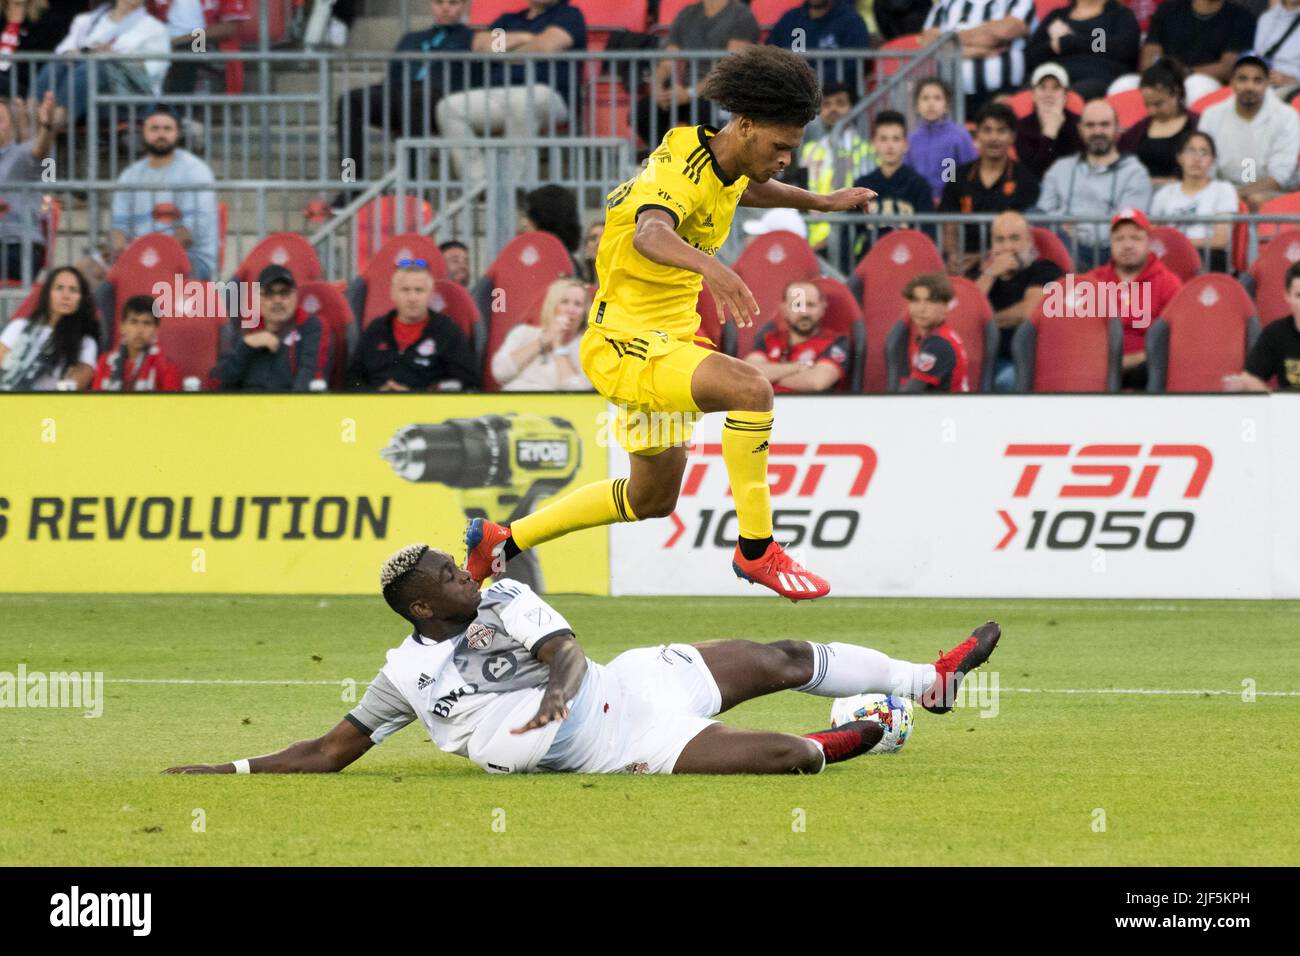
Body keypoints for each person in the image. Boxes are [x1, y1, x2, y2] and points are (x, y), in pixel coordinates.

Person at [464, 47, 877, 602]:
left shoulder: (722, 157)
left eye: (792, 150)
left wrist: (820, 202)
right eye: (780, 147)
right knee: (752, 390)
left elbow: (747, 186)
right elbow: (649, 234)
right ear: (746, 126)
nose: (785, 159)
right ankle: (758, 550)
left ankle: (502, 540)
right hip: (626, 343)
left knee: (649, 499)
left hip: (666, 340)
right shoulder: (679, 172)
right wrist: (718, 270)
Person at [164, 545, 1004, 777]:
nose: (469, 574)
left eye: (461, 567)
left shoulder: (504, 598)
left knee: (782, 653)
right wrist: (230, 767)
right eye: (450, 578)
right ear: (422, 609)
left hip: (623, 686)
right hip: (620, 747)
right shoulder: (404, 678)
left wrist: (559, 699)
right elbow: (328, 751)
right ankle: (865, 732)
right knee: (789, 757)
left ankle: (927, 684)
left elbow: (565, 655)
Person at [333, 0, 473, 205]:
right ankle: (351, 182)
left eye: (452, 3)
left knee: (415, 96)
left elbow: (502, 50)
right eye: (439, 2)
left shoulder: (473, 38)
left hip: (440, 100)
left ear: (464, 7)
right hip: (400, 95)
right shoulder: (411, 39)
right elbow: (391, 78)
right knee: (349, 101)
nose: (445, 8)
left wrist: (498, 33)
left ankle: (413, 186)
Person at [435, 0, 586, 186]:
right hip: (500, 92)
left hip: (551, 95)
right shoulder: (509, 19)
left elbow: (546, 46)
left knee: (524, 100)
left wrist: (506, 51)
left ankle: (515, 188)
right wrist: (525, 38)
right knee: (448, 108)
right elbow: (481, 45)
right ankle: (479, 186)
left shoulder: (568, 15)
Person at [84, 107, 218, 282]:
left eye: (167, 129)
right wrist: (117, 249)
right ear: (143, 133)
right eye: (154, 128)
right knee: (85, 270)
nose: (161, 134)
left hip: (189, 257)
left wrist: (143, 250)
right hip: (136, 254)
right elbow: (119, 227)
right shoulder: (130, 175)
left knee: (146, 270)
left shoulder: (196, 171)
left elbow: (190, 233)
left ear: (178, 134)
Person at [1036, 99, 1154, 270]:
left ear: (1117, 129)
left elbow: (1127, 225)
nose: (1097, 131)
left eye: (1104, 125)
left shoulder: (1135, 173)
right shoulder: (1060, 169)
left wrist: (1076, 228)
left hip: (1108, 252)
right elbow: (1043, 213)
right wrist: (1059, 226)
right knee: (1033, 217)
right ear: (1080, 130)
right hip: (1065, 245)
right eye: (1090, 125)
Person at [1082, 208, 1184, 390]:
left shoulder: (1169, 283)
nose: (1127, 245)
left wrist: (1128, 361)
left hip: (1146, 371)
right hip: (1097, 368)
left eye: (1135, 238)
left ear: (1148, 243)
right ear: (1111, 244)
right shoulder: (1092, 281)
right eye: (1119, 239)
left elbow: (1175, 341)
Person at [636, 0, 758, 151]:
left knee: (703, 116)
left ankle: (706, 164)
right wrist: (657, 88)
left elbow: (730, 66)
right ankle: (670, 158)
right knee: (643, 113)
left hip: (720, 94)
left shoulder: (741, 16)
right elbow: (668, 60)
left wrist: (690, 93)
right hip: (686, 93)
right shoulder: (687, 14)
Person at [939, 101, 1041, 278]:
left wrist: (981, 258)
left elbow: (1024, 235)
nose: (994, 138)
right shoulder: (956, 174)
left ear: (1012, 137)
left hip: (1010, 265)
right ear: (977, 135)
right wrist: (954, 256)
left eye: (1001, 131)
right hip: (962, 266)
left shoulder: (1026, 179)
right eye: (987, 130)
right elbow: (948, 222)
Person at [347, 260, 480, 391]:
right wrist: (379, 393)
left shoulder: (448, 332)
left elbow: (466, 383)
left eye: (419, 290)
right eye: (405, 290)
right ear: (393, 294)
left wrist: (414, 395)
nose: (412, 298)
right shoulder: (375, 330)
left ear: (430, 295)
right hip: (375, 408)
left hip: (430, 410)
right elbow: (352, 380)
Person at [31, 0, 170, 125]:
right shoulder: (88, 21)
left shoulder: (155, 29)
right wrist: (87, 52)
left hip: (129, 99)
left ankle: (54, 120)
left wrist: (113, 57)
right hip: (85, 97)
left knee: (96, 67)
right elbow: (62, 53)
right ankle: (32, 113)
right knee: (57, 66)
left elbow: (152, 70)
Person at [1197, 53, 1300, 211]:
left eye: (1257, 80)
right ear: (1232, 82)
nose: (1249, 86)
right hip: (1223, 190)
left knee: (1255, 199)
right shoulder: (1212, 115)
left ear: (1267, 84)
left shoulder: (1286, 116)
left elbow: (1280, 176)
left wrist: (1235, 197)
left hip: (1275, 192)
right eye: (1243, 79)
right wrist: (1222, 195)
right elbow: (1205, 166)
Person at [974, 210, 1063, 392]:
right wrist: (990, 274)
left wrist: (985, 324)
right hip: (987, 359)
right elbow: (966, 312)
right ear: (992, 245)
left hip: (1029, 359)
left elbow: (1028, 312)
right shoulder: (983, 276)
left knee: (1005, 382)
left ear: (1029, 241)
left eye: (1015, 238)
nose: (1008, 247)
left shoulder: (1045, 270)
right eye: (1000, 240)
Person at [211, 265, 329, 392]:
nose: (277, 300)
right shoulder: (248, 331)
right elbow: (217, 383)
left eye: (284, 293)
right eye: (269, 293)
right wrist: (246, 347)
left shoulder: (310, 327)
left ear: (295, 297)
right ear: (258, 299)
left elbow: (308, 375)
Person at [797, 81, 874, 269]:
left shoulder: (866, 151)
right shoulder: (809, 151)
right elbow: (800, 196)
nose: (833, 109)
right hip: (814, 241)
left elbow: (866, 197)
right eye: (827, 104)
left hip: (852, 243)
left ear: (852, 108)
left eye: (840, 103)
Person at [918, 0, 1037, 110]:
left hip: (1001, 96)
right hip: (951, 98)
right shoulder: (946, 4)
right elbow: (929, 43)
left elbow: (1005, 31)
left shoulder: (1017, 2)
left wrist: (950, 41)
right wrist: (976, 50)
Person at [1150, 130, 1239, 271]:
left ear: (1212, 160)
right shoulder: (1165, 193)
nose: (1197, 158)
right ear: (1180, 157)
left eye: (1204, 152)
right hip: (1170, 256)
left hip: (1208, 256)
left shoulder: (1223, 189)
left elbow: (1221, 240)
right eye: (1191, 151)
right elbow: (1152, 236)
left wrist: (1177, 244)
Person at [0, 265, 98, 391]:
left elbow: (76, 386)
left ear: (81, 298)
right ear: (47, 293)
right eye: (59, 288)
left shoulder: (86, 343)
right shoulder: (18, 327)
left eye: (73, 290)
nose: (66, 296)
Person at [852, 108, 935, 255]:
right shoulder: (861, 185)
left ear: (905, 144)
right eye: (883, 139)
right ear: (874, 143)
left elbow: (928, 233)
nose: (890, 146)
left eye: (896, 139)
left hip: (909, 262)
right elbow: (849, 233)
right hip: (869, 263)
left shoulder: (919, 185)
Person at [745, 279, 849, 393]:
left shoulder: (836, 342)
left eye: (811, 305)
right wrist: (798, 367)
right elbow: (747, 373)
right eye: (797, 305)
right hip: (766, 408)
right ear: (784, 309)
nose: (804, 313)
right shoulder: (769, 338)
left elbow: (817, 382)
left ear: (822, 308)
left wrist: (768, 375)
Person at [490, 277, 592, 391]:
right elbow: (499, 372)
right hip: (512, 403)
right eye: (564, 302)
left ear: (584, 313)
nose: (570, 309)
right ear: (552, 305)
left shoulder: (587, 347)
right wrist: (544, 339)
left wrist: (558, 345)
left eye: (577, 304)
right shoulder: (523, 333)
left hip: (553, 406)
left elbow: (577, 391)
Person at [1024, 0, 1140, 100]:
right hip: (1051, 77)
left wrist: (1070, 42)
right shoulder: (1057, 15)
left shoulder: (1120, 14)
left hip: (1097, 78)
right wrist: (1052, 46)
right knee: (1025, 97)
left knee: (1071, 98)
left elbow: (1124, 48)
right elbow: (1030, 56)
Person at [1118, 59, 1198, 188]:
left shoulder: (1197, 125)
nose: (1152, 111)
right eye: (1147, 105)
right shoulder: (1136, 132)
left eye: (1158, 104)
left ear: (1175, 93)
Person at [0, 89, 53, 281]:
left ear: (12, 127)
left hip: (19, 247)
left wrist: (46, 126)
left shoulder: (22, 154)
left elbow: (41, 152)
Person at [1140, 0, 1257, 87]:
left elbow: (1229, 67)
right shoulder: (1167, 10)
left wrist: (1187, 73)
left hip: (1212, 85)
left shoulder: (1241, 17)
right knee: (1128, 83)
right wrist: (1160, 75)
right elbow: (1150, 56)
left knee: (1196, 84)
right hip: (1164, 80)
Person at [1224, 259, 1300, 391]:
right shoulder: (1276, 333)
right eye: (1299, 296)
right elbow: (1248, 377)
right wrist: (1274, 401)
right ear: (1287, 296)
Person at [907, 77, 977, 205]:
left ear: (947, 105)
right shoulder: (910, 139)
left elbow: (971, 174)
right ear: (917, 106)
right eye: (925, 98)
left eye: (937, 98)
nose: (931, 104)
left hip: (952, 207)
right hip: (917, 207)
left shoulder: (960, 136)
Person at [766, 0, 871, 85]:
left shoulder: (852, 22)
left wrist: (809, 77)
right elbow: (769, 55)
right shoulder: (789, 19)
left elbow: (853, 67)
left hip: (834, 100)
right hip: (791, 98)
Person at [897, 272, 971, 392]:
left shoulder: (937, 344)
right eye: (915, 301)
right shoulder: (934, 337)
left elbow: (909, 395)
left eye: (930, 301)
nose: (921, 309)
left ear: (946, 306)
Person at [91, 293, 181, 390]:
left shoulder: (166, 368)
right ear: (122, 326)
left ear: (156, 330)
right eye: (134, 322)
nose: (139, 330)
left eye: (147, 323)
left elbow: (172, 404)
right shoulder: (104, 363)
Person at [1015, 63, 1084, 180]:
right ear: (1033, 95)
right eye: (1042, 87)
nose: (1048, 94)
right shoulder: (1022, 126)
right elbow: (1032, 174)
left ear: (1065, 95)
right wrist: (1049, 134)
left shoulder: (1078, 124)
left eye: (1056, 87)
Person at [1255, 0, 1300, 98]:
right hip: (1262, 79)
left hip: (1292, 87)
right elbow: (1257, 54)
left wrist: (1292, 80)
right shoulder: (1266, 18)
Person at [576, 220, 602, 284]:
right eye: (593, 238)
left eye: (604, 237)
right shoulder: (578, 280)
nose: (598, 242)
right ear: (586, 246)